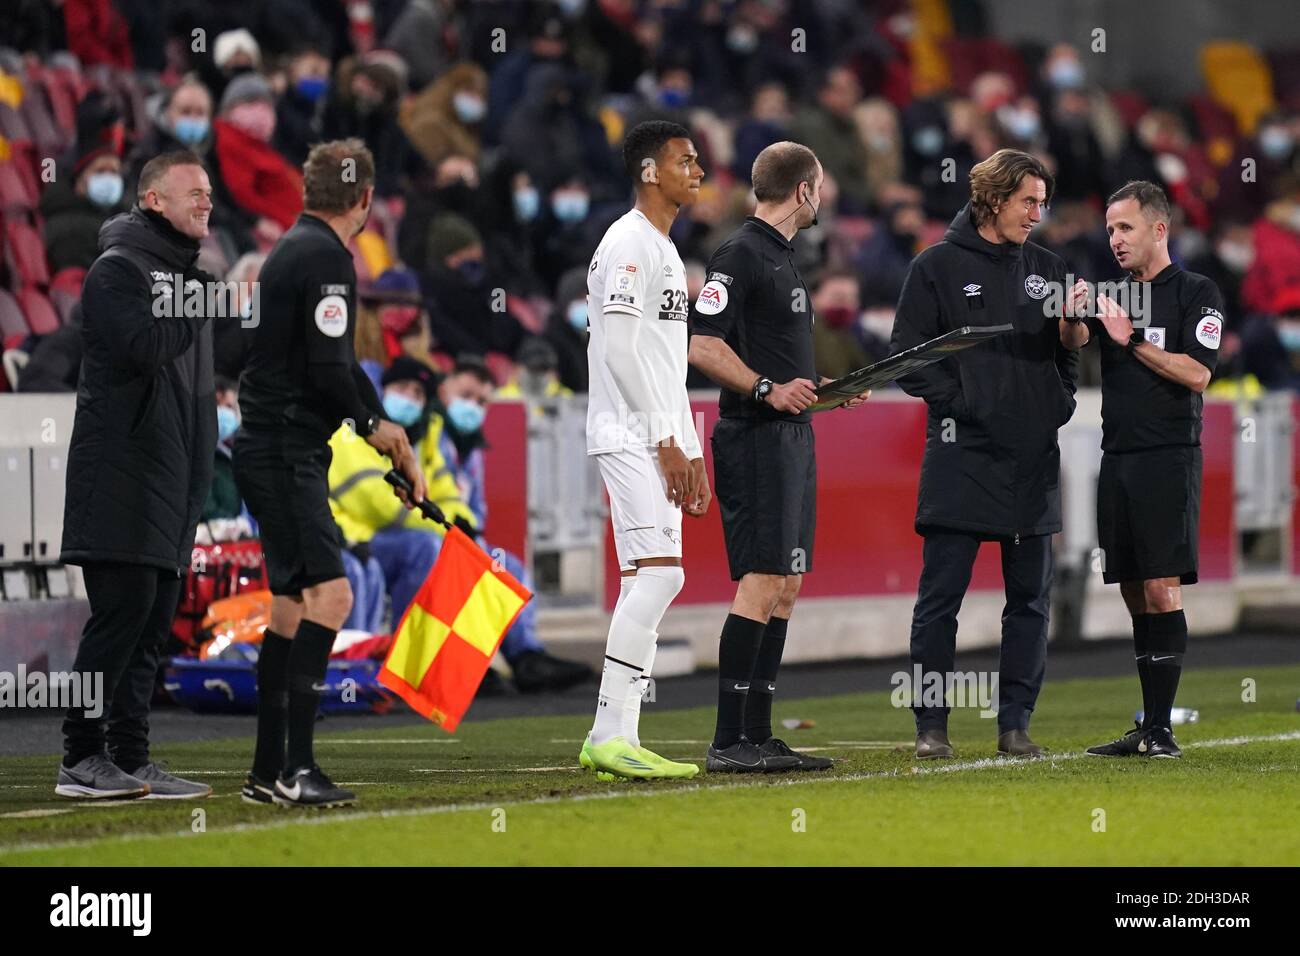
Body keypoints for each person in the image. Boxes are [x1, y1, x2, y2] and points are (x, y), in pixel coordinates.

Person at [233, 139, 425, 809]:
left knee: (289, 606)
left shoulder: (295, 249)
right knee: (333, 598)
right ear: (365, 201)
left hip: (269, 445)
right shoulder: (328, 260)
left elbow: (337, 370)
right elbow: (327, 371)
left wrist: (383, 428)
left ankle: (267, 770)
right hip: (287, 448)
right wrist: (378, 429)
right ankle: (298, 768)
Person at [889, 148, 1078, 761]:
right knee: (940, 599)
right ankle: (931, 726)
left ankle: (1015, 725)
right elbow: (906, 360)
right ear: (994, 199)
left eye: (1042, 203)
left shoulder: (1049, 269)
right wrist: (966, 405)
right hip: (961, 456)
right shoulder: (936, 267)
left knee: (1029, 602)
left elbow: (1067, 353)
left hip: (1031, 461)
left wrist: (1060, 398)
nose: (1037, 214)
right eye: (1029, 201)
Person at [688, 141, 870, 774]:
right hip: (755, 438)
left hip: (790, 436)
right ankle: (727, 740)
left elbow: (775, 363)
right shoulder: (739, 254)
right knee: (762, 581)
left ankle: (759, 736)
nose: (821, 199)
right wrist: (768, 389)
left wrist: (821, 395)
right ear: (803, 192)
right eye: (819, 188)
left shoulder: (784, 258)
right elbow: (702, 346)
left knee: (786, 586)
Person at [56, 151, 218, 800]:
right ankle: (80, 755)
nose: (207, 202)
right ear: (154, 201)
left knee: (151, 622)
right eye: (193, 192)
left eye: (209, 192)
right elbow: (145, 348)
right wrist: (192, 300)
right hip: (120, 472)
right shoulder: (116, 273)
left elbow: (197, 380)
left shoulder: (185, 279)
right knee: (119, 617)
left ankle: (130, 755)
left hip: (170, 473)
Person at [1060, 181, 1224, 760]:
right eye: (1109, 229)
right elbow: (1076, 341)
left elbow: (1199, 373)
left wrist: (1130, 342)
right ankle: (1150, 725)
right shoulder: (1110, 294)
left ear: (1159, 229)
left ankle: (1161, 729)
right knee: (1132, 586)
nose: (1115, 239)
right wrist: (1073, 315)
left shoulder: (1196, 292)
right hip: (1118, 455)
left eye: (1125, 228)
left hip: (1169, 455)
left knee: (1161, 584)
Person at [327, 356, 592, 692]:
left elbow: (449, 495)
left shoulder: (428, 431)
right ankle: (409, 663)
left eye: (418, 393)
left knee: (499, 562)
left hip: (407, 535)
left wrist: (459, 524)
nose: (410, 399)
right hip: (361, 537)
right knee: (431, 549)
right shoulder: (362, 428)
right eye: (402, 389)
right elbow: (378, 504)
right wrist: (446, 526)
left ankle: (521, 657)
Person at [579, 120, 711, 781]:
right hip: (630, 432)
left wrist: (690, 446)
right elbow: (621, 352)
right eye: (684, 161)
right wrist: (666, 441)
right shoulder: (629, 242)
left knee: (647, 577)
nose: (698, 171)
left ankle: (617, 735)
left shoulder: (659, 247)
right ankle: (609, 730)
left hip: (655, 432)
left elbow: (662, 362)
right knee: (660, 575)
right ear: (649, 172)